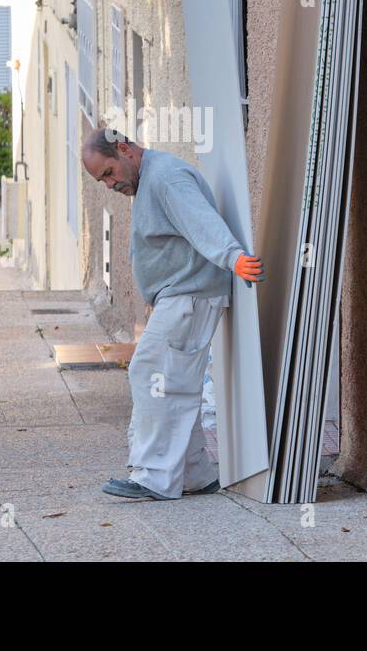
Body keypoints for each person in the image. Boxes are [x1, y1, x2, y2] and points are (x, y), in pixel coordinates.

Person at [80, 126, 263, 501]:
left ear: (124, 148)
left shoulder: (165, 177)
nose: (109, 185)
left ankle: (153, 477)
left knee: (151, 373)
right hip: (181, 296)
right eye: (102, 180)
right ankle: (194, 473)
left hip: (190, 295)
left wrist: (234, 258)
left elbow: (200, 221)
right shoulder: (150, 178)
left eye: (109, 173)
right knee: (175, 382)